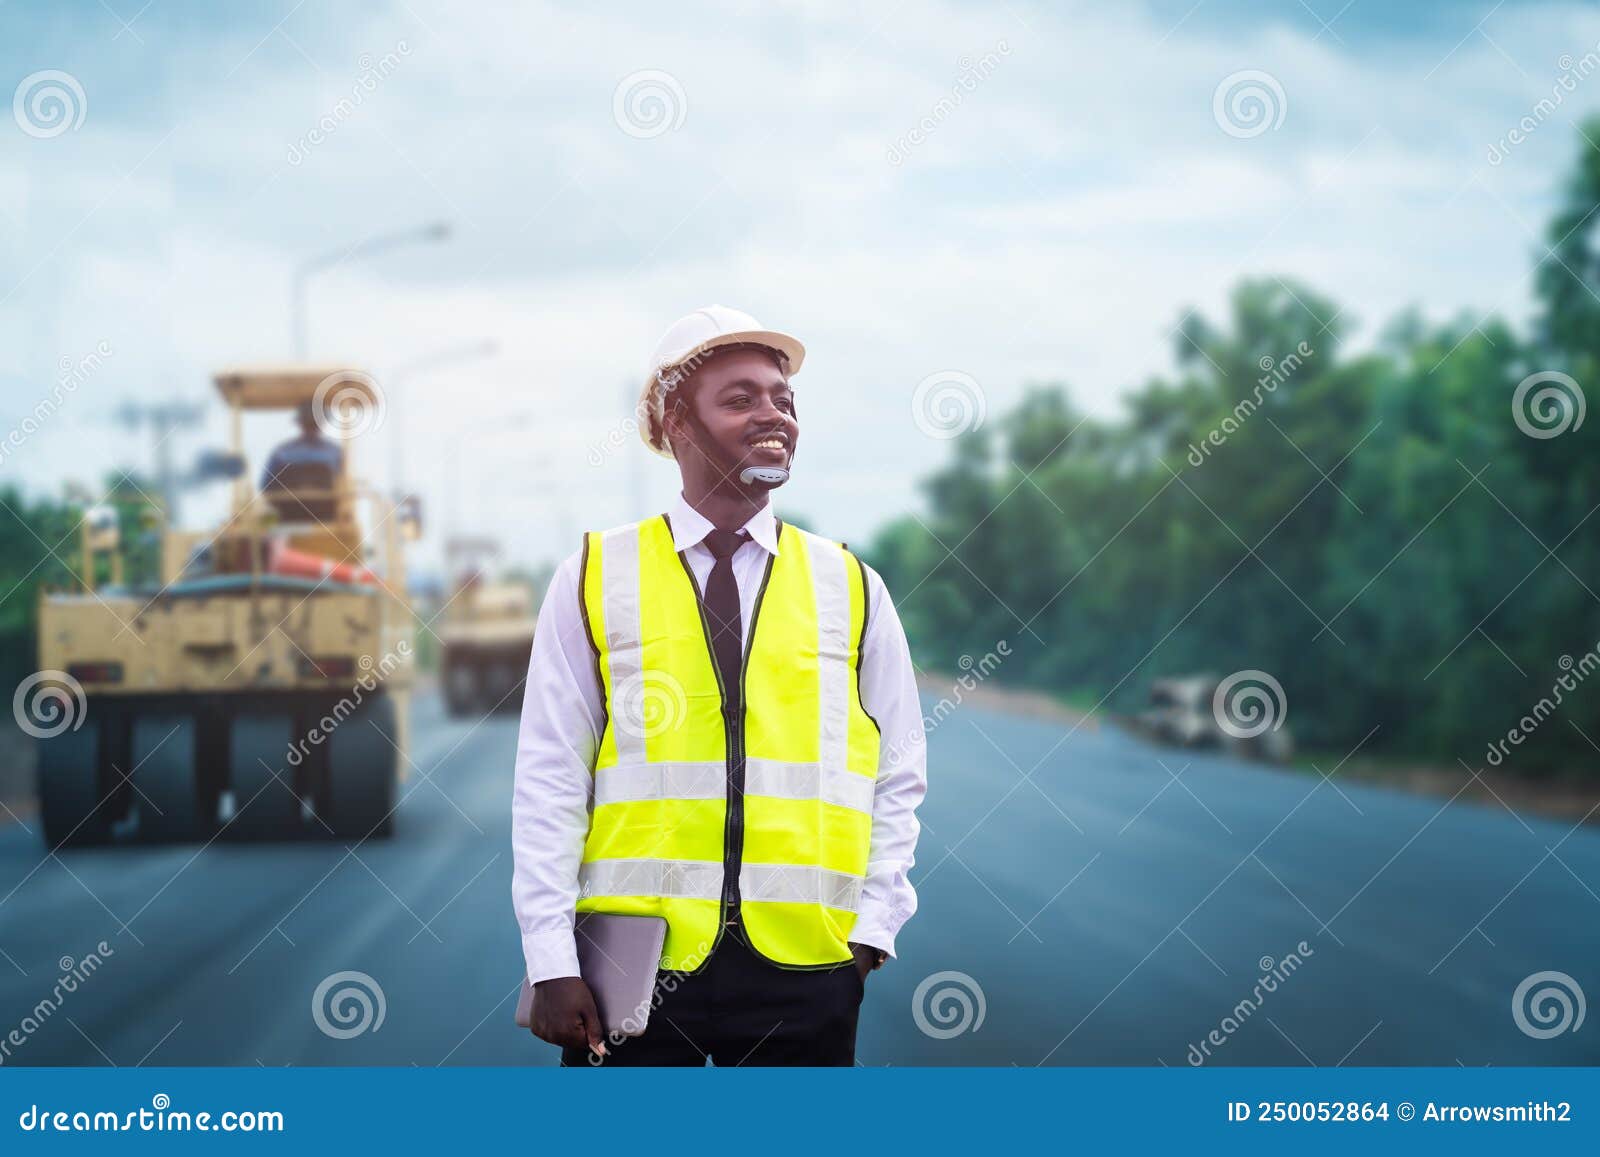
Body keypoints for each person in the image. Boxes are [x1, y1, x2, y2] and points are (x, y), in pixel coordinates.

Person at [511, 305, 927, 1066]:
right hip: (629, 969)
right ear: (677, 422)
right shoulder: (594, 576)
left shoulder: (851, 583)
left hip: (807, 969)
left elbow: (900, 767)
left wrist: (872, 931)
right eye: (742, 399)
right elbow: (550, 777)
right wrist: (550, 960)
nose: (774, 416)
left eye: (785, 400)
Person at [259, 400, 343, 505]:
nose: (311, 428)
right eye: (309, 424)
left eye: (313, 424)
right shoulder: (334, 452)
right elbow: (267, 487)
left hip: (322, 510)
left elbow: (266, 486)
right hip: (289, 510)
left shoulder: (282, 452)